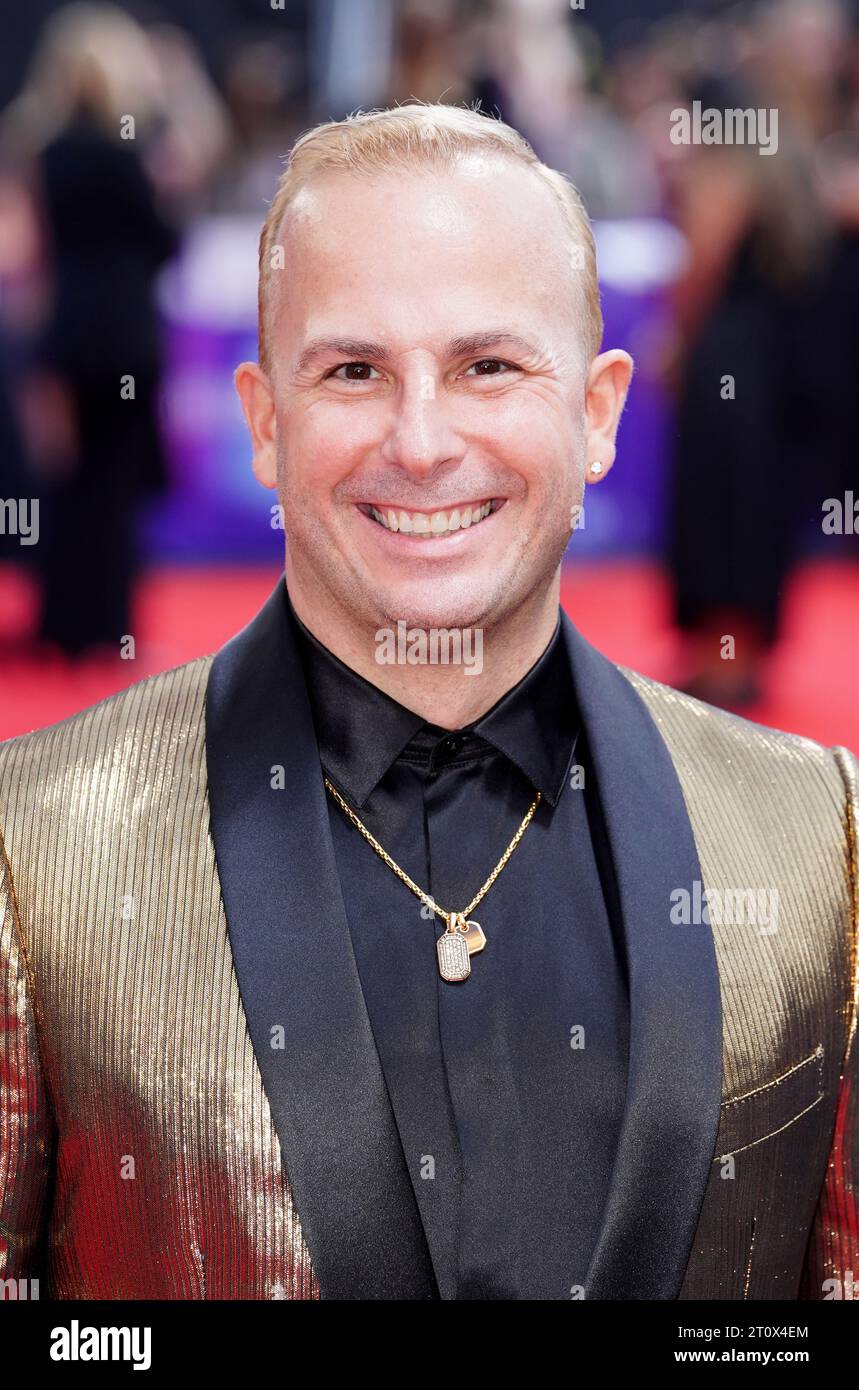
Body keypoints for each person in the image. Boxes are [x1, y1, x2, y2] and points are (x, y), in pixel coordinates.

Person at [0, 104, 856, 1301]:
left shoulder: (819, 834)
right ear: (262, 419)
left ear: (597, 412)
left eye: (486, 366)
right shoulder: (30, 851)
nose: (420, 440)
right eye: (354, 370)